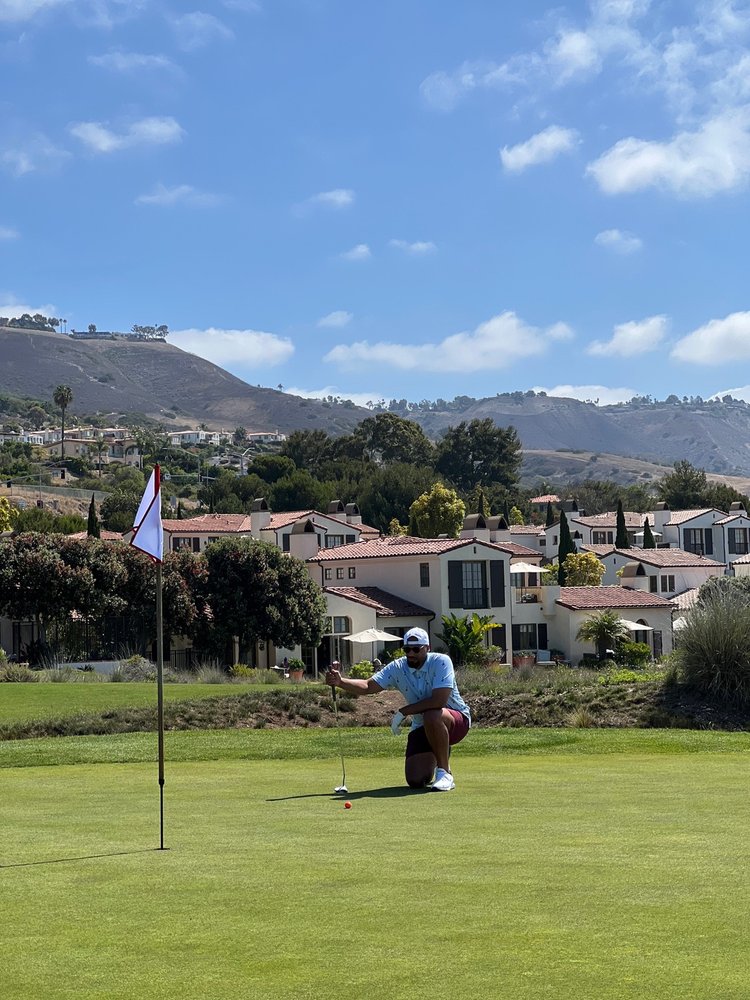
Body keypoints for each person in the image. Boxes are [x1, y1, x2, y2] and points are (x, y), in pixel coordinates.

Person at [325, 627, 470, 792]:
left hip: (456, 721)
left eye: (416, 649)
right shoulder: (398, 667)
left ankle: (445, 773)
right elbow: (368, 686)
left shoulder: (441, 661)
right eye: (407, 649)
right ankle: (439, 750)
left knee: (432, 714)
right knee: (415, 779)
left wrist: (404, 711)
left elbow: (439, 700)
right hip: (423, 725)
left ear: (427, 649)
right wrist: (341, 682)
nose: (411, 653)